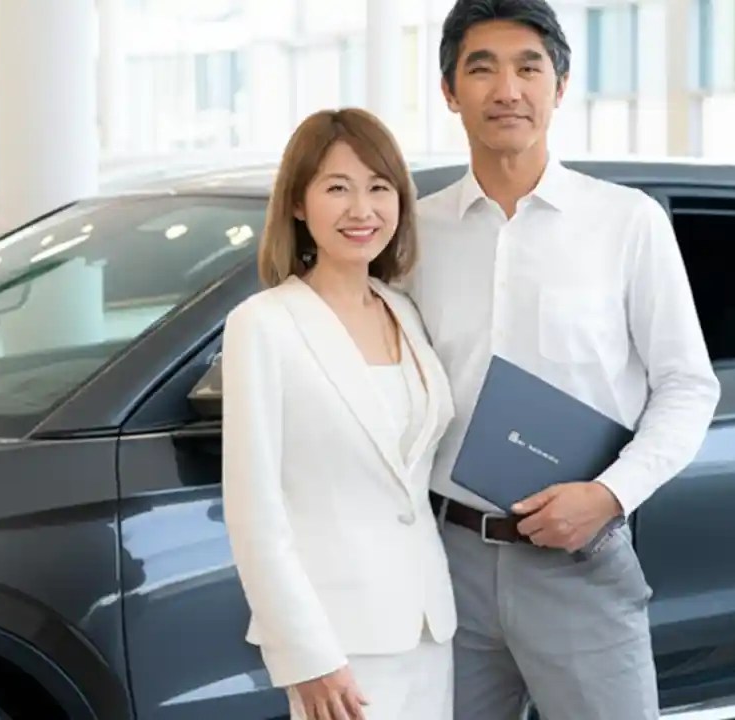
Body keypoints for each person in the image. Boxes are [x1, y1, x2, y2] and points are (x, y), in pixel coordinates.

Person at [405, 1, 723, 719]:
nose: (506, 89)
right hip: (442, 564)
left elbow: (687, 386)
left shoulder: (626, 221)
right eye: (480, 68)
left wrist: (610, 496)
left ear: (560, 84)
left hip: (580, 560)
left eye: (528, 67)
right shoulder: (414, 233)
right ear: (450, 91)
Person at [221, 107, 458, 720]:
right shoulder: (263, 324)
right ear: (298, 204)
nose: (363, 210)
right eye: (337, 188)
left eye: (379, 188)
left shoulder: (402, 310)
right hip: (339, 643)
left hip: (428, 626)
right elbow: (255, 515)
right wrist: (308, 655)